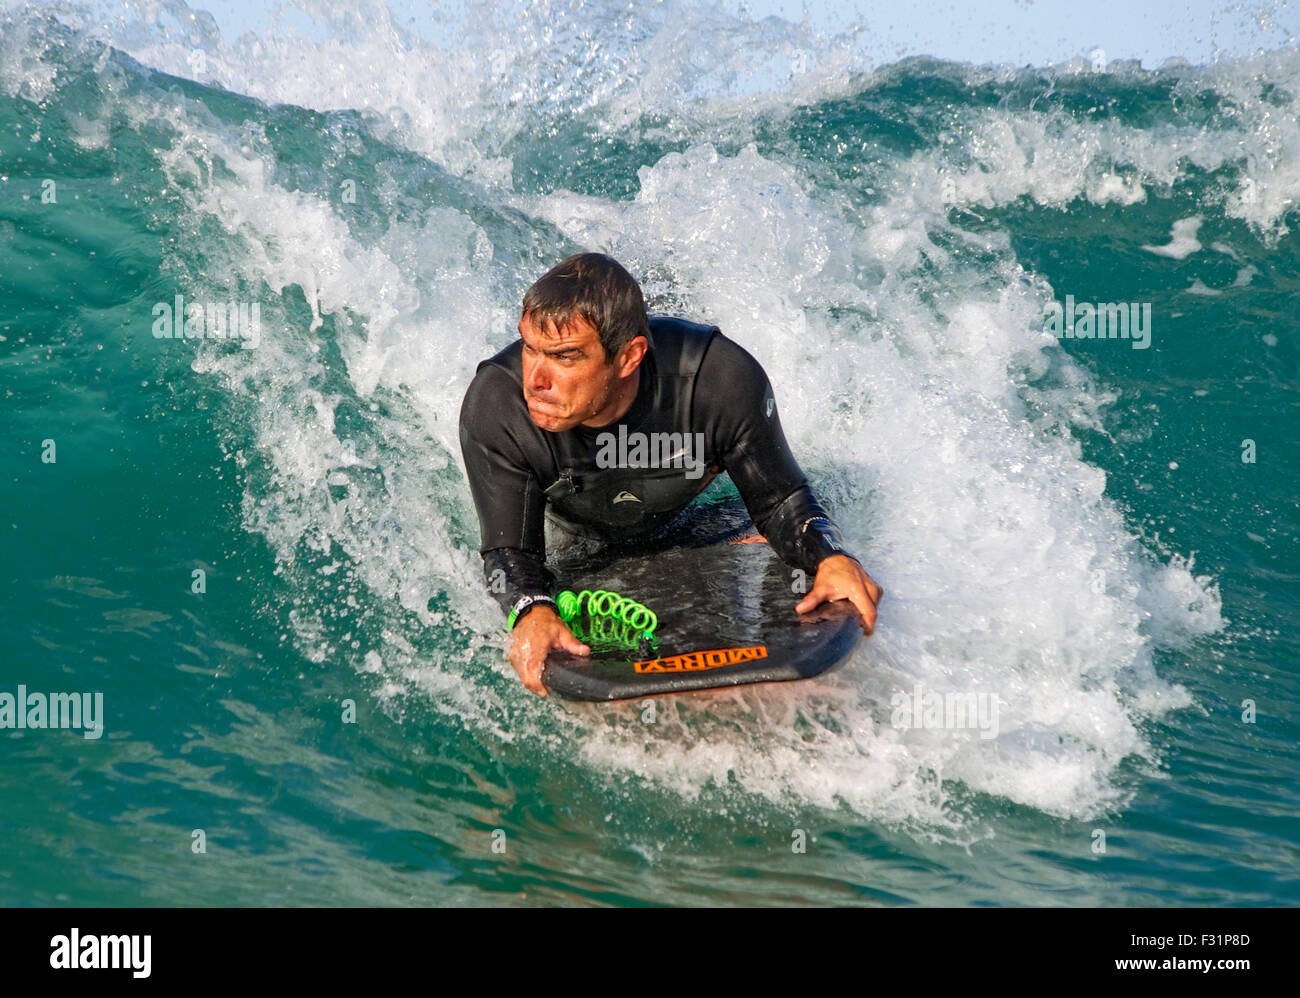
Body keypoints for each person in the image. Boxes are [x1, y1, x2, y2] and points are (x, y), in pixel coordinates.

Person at [459, 253, 882, 696]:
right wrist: (531, 610)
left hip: (696, 517)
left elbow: (781, 502)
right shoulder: (498, 405)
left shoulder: (716, 380)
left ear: (629, 357)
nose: (536, 379)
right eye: (529, 347)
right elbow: (510, 553)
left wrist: (831, 556)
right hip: (577, 541)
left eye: (565, 356)